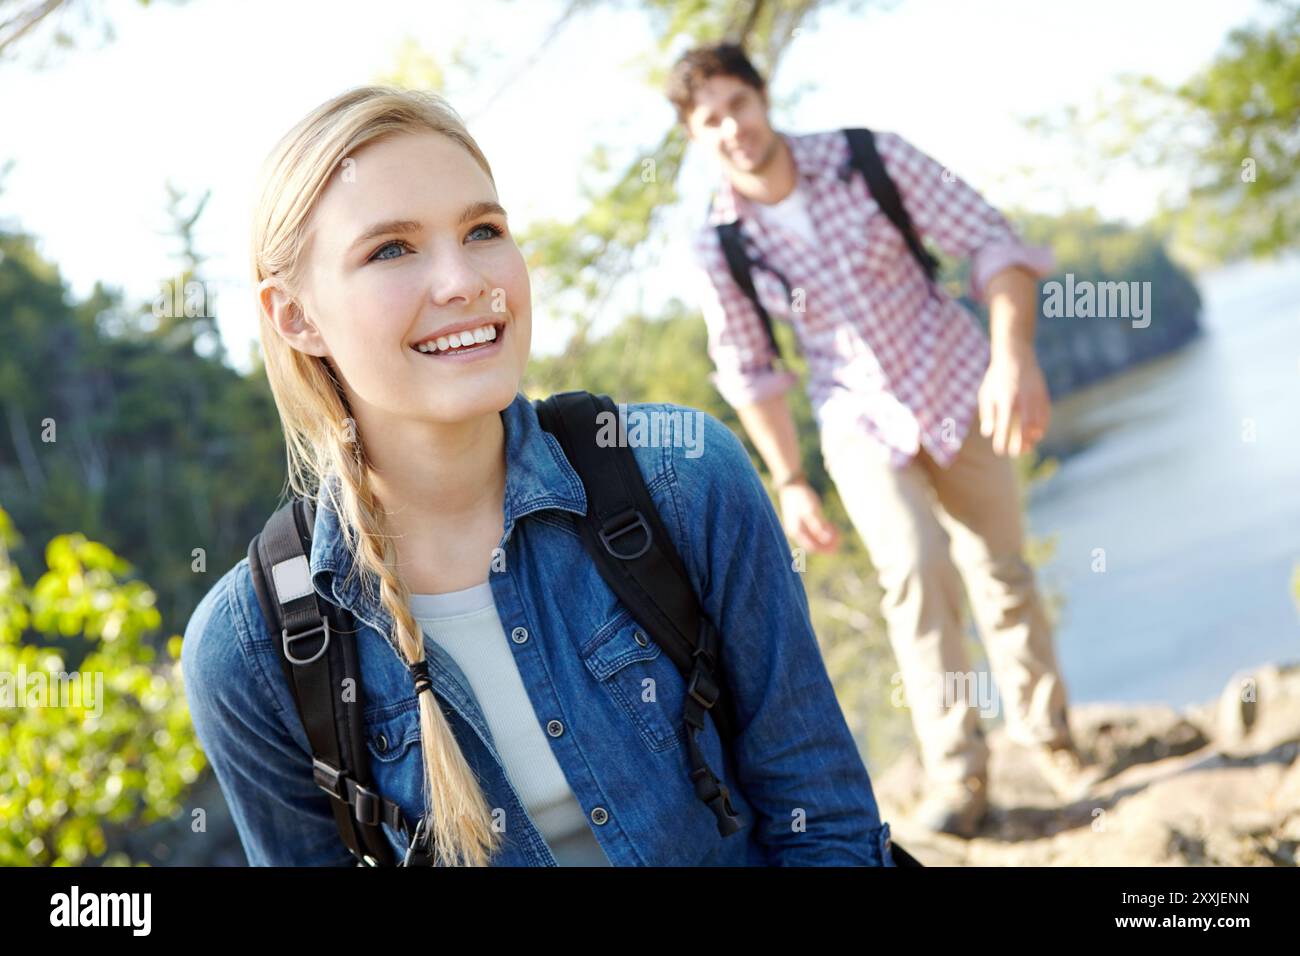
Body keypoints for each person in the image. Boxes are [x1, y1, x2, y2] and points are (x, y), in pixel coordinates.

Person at [181, 85, 897, 866]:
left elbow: (825, 821)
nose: (463, 281)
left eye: (483, 230)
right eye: (391, 248)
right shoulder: (249, 648)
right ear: (295, 315)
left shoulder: (685, 479)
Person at [666, 43, 1096, 838]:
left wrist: (1013, 358)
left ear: (764, 98)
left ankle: (1051, 737)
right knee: (916, 573)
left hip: (960, 381)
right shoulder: (718, 242)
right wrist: (790, 481)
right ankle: (959, 779)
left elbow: (995, 244)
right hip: (855, 417)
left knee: (1001, 572)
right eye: (710, 120)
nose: (732, 128)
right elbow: (751, 371)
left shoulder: (869, 159)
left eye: (739, 104)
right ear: (697, 137)